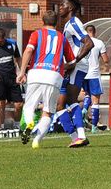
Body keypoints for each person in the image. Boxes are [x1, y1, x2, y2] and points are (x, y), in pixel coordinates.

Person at [16, 9, 76, 149]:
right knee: (48, 111)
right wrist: (62, 67)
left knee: (29, 106)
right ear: (57, 22)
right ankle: (37, 140)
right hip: (54, 75)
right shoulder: (62, 37)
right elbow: (71, 61)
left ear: (42, 21)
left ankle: (30, 122)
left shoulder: (37, 34)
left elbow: (29, 50)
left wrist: (22, 72)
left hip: (36, 72)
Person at [56, 0, 97, 147]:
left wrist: (73, 61)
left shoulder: (74, 22)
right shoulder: (68, 24)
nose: (60, 7)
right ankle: (76, 137)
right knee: (60, 104)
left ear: (70, 8)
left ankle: (80, 136)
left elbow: (89, 43)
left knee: (69, 101)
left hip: (78, 66)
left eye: (63, 5)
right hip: (73, 66)